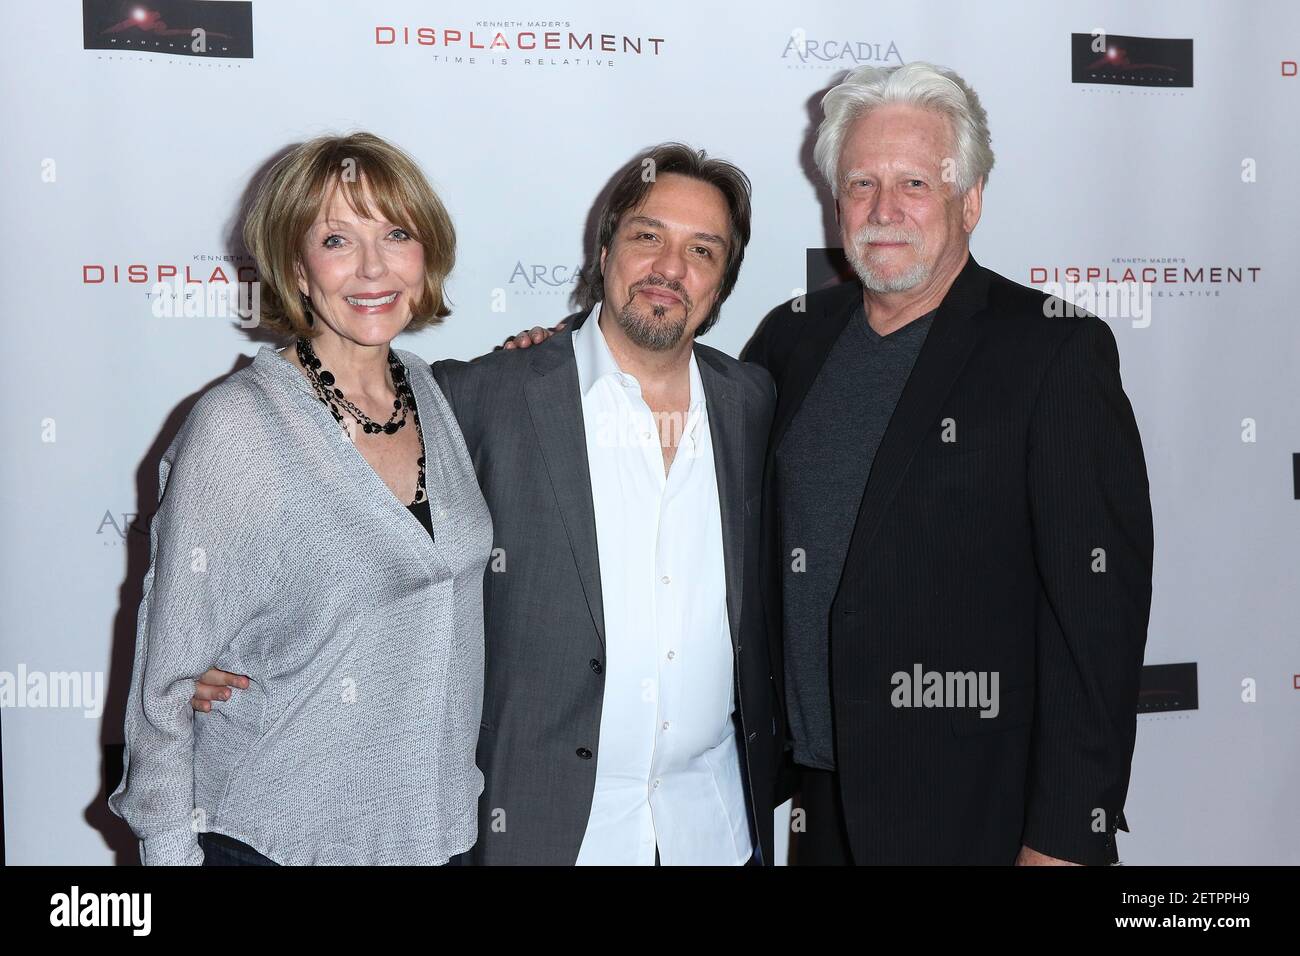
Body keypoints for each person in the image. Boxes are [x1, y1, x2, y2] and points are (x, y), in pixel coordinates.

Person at [198, 143, 780, 865]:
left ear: (724, 280)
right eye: (647, 236)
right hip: (540, 832)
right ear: (604, 251)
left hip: (714, 831)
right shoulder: (482, 397)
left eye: (703, 249)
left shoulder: (751, 402)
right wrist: (219, 646)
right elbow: (326, 498)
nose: (670, 268)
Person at [743, 62, 1154, 865]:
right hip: (810, 806)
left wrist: (1068, 838)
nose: (884, 210)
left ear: (970, 201)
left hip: (976, 814)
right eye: (861, 183)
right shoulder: (793, 336)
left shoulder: (1054, 351)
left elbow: (1095, 624)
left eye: (915, 184)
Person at [109, 132, 492, 865]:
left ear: (426, 252)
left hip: (427, 834)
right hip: (275, 839)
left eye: (396, 234)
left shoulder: (430, 392)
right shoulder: (239, 427)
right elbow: (167, 680)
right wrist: (168, 853)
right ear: (296, 266)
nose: (374, 267)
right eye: (338, 239)